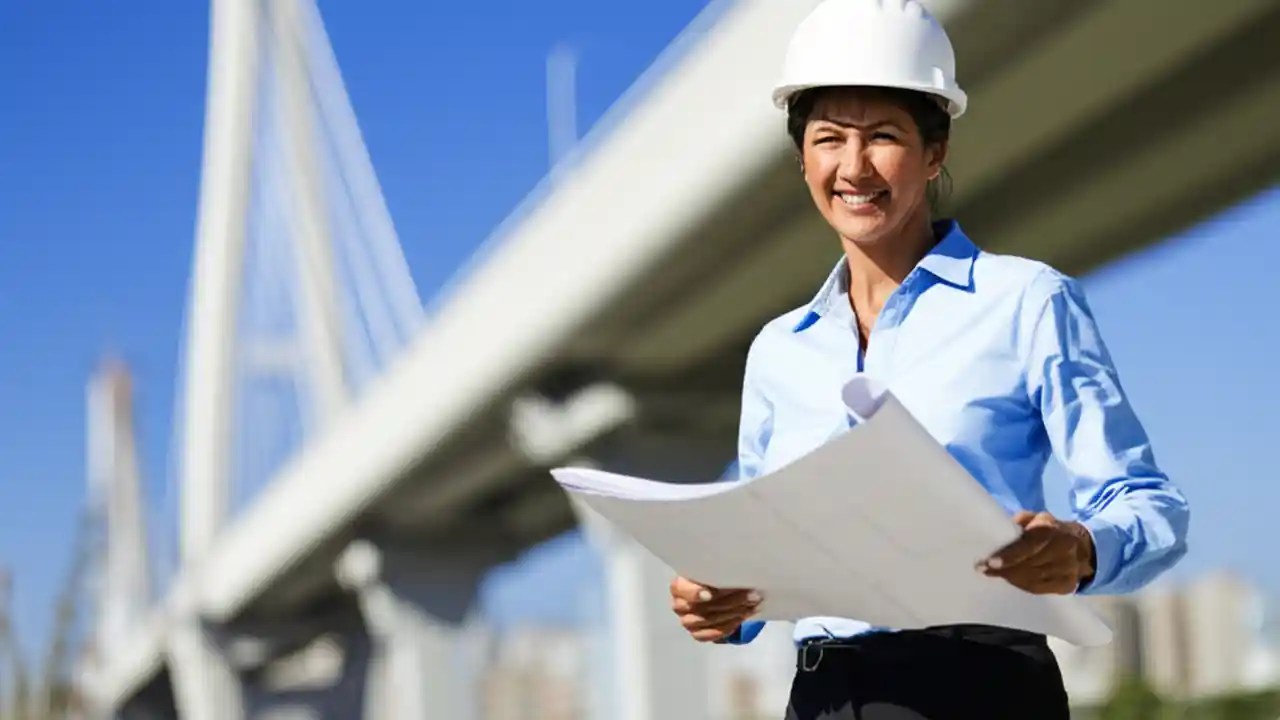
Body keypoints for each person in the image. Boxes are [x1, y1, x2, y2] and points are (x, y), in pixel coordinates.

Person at [667, 1, 1190, 717]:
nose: (853, 167)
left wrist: (1082, 548)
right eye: (828, 140)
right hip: (821, 693)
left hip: (979, 682)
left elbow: (1150, 505)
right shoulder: (777, 352)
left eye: (883, 137)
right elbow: (765, 560)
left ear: (934, 151)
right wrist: (720, 602)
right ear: (802, 158)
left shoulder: (1026, 301)